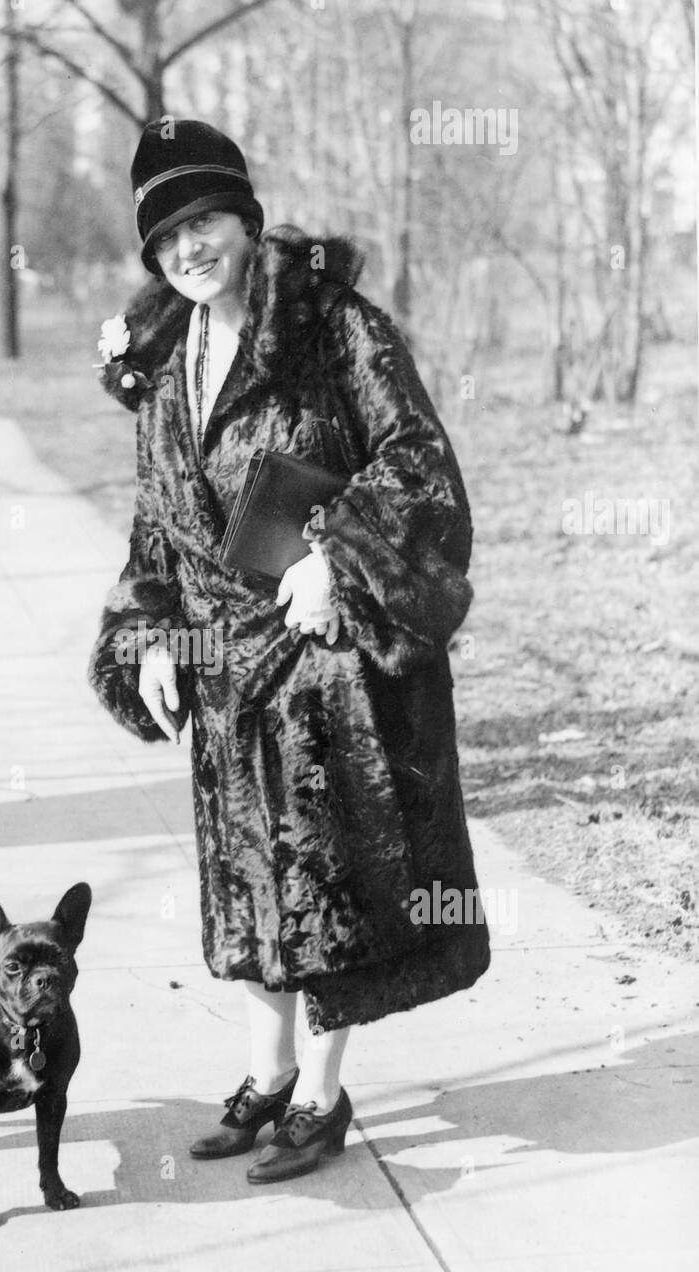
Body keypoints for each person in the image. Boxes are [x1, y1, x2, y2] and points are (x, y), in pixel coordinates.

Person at [88, 118, 489, 1185]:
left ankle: (320, 1094)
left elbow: (420, 466)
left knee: (322, 892)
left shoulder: (335, 328)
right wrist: (150, 638)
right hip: (224, 673)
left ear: (247, 218)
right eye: (166, 235)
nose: (190, 247)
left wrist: (336, 557)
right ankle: (266, 1076)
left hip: (324, 664)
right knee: (245, 891)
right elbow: (155, 529)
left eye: (206, 218)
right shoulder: (167, 362)